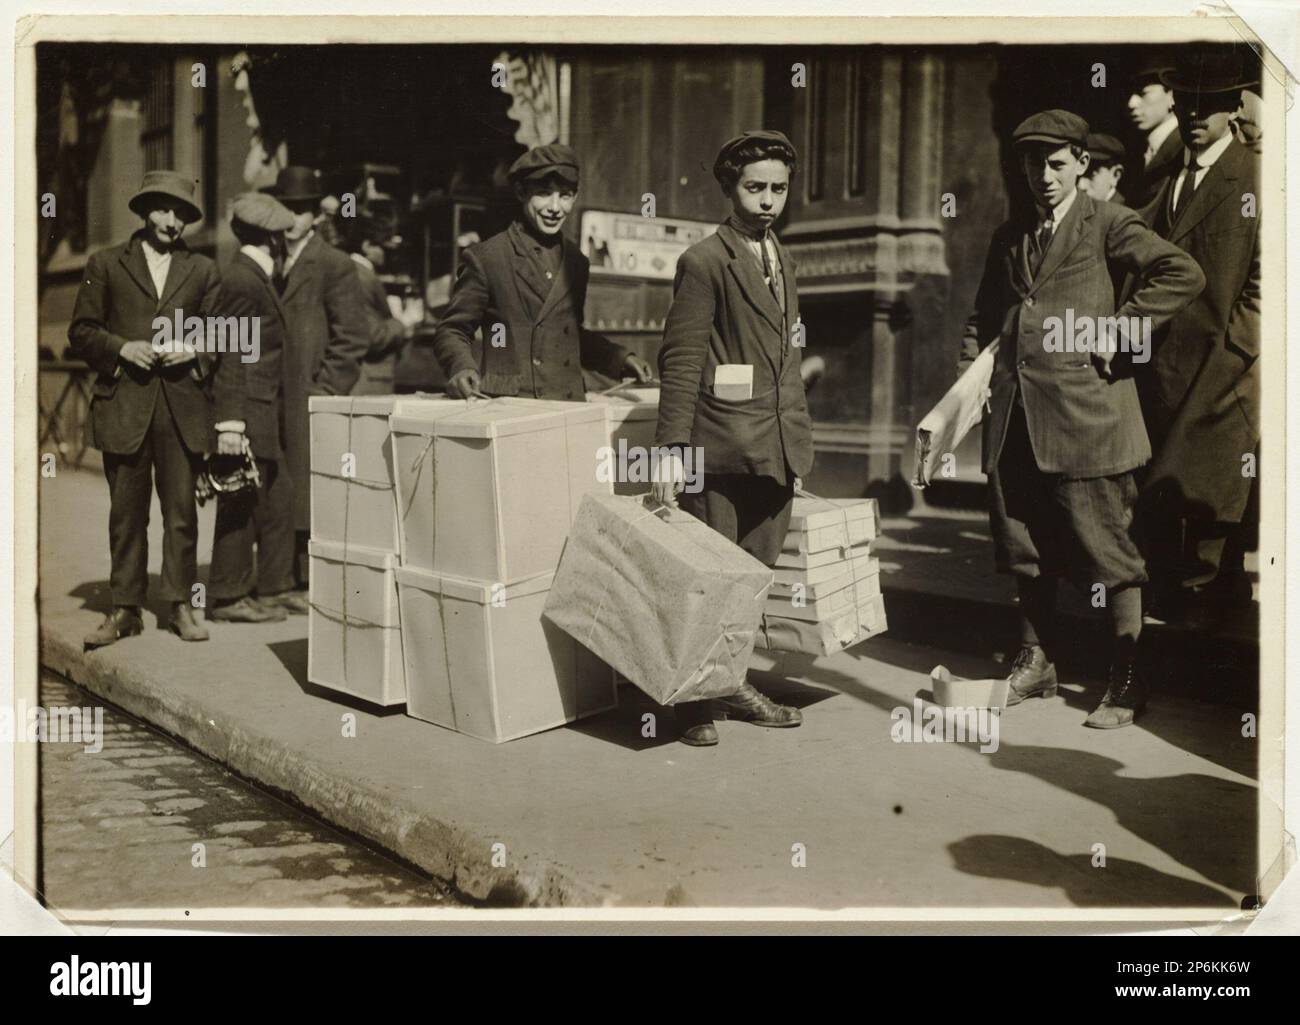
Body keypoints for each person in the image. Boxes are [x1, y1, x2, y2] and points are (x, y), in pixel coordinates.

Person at [958, 110, 1203, 729]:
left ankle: (1126, 678)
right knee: (1024, 545)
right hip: (1015, 417)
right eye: (1033, 164)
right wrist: (969, 379)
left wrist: (1124, 328)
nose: (1044, 175)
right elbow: (983, 317)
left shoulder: (1109, 222)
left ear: (1081, 165)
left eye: (1058, 164)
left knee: (1108, 549)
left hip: (1088, 417)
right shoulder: (1010, 235)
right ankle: (1036, 662)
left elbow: (1182, 273)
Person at [651, 129, 814, 747]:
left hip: (776, 443)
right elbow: (684, 357)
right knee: (707, 576)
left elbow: (787, 350)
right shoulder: (704, 261)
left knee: (752, 575)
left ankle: (730, 682)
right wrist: (669, 450)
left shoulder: (784, 257)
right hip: (718, 445)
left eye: (778, 188)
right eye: (755, 188)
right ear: (729, 189)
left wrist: (796, 425)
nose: (769, 199)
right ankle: (689, 702)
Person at [68, 170, 223, 646]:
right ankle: (125, 609)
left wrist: (194, 349)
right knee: (127, 514)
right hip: (125, 406)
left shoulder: (203, 270)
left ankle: (179, 606)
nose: (170, 221)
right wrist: (121, 349)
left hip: (181, 410)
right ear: (143, 210)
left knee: (182, 513)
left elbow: (223, 333)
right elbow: (82, 331)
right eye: (161, 208)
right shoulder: (107, 262)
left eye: (180, 213)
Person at [1136, 50, 1261, 620]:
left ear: (1234, 107)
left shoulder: (1258, 175)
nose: (1194, 116)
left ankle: (1214, 624)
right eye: (1186, 103)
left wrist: (1236, 349)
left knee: (1212, 508)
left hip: (1226, 369)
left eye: (1208, 106)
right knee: (1165, 500)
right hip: (1165, 363)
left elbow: (1267, 284)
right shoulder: (1168, 180)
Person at [431, 144, 652, 401]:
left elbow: (567, 333)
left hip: (569, 403)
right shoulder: (488, 258)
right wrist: (461, 367)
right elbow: (453, 330)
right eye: (544, 194)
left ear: (575, 197)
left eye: (565, 195)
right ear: (521, 192)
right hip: (512, 405)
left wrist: (620, 358)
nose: (555, 207)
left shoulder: (577, 262)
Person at [267, 165, 371, 587]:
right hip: (273, 393)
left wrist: (323, 390)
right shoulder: (270, 259)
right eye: (286, 209)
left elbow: (352, 338)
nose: (293, 220)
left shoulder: (334, 264)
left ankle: (308, 578)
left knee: (310, 489)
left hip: (309, 395)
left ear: (316, 215)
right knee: (279, 486)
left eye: (302, 210)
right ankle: (279, 575)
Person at [207, 192, 305, 623]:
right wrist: (231, 423)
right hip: (248, 408)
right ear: (272, 239)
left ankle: (272, 587)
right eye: (284, 235)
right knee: (241, 498)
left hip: (263, 406)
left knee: (276, 496)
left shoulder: (256, 276)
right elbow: (231, 353)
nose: (287, 243)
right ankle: (229, 597)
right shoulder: (243, 281)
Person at [342, 212, 421, 395]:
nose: (390, 253)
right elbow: (373, 336)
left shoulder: (354, 272)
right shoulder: (362, 277)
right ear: (367, 246)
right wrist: (404, 320)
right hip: (369, 380)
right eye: (385, 247)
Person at [1126, 58, 1183, 209]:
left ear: (1172, 96)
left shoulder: (1184, 147)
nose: (1131, 103)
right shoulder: (1140, 152)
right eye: (1131, 94)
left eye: (1143, 92)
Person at [1080, 133, 1128, 205]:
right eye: (1078, 176)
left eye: (1091, 176)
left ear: (1115, 175)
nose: (1081, 185)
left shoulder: (1127, 215)